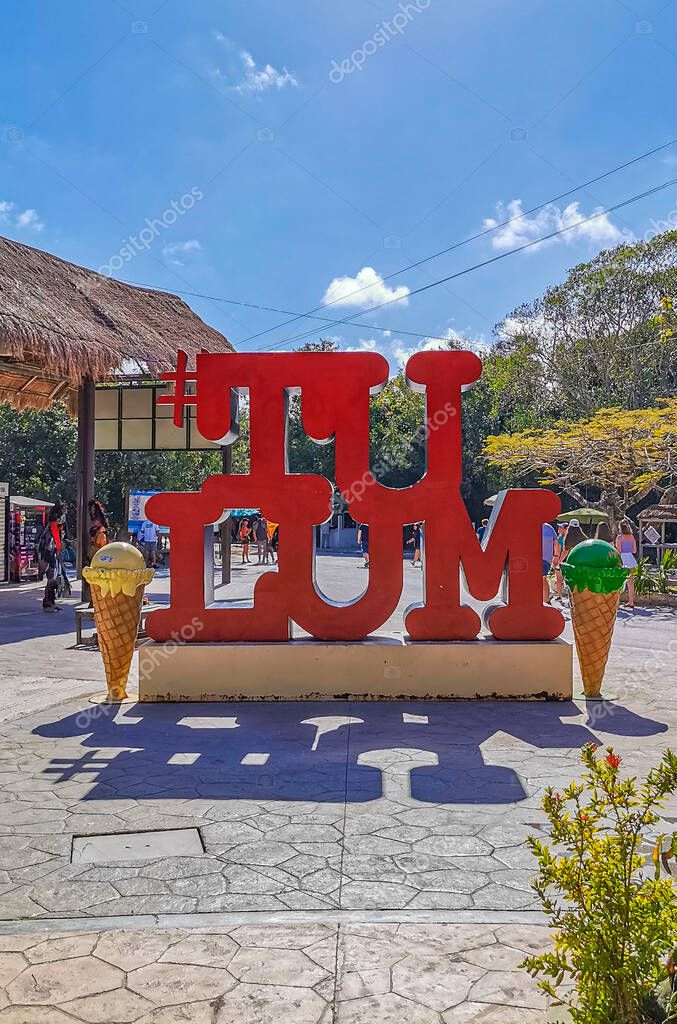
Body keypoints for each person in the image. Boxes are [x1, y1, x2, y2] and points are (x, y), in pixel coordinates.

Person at [37, 502, 65, 612]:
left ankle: (51, 602)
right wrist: (59, 550)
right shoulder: (53, 526)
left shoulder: (53, 526)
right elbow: (56, 542)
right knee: (51, 579)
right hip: (49, 556)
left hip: (50, 555)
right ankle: (48, 603)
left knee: (52, 579)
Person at [616, 520, 638, 610]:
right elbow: (634, 551)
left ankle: (617, 602)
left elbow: (618, 551)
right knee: (630, 582)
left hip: (622, 559)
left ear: (621, 528)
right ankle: (631, 602)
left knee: (619, 581)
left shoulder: (619, 538)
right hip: (630, 558)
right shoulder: (632, 537)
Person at [542, 520, 558, 604]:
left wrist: (556, 556)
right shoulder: (549, 527)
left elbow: (556, 543)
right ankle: (546, 600)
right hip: (546, 559)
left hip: (541, 558)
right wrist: (556, 556)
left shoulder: (531, 526)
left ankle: (546, 600)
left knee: (542, 578)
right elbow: (556, 543)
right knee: (543, 578)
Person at [553, 523, 568, 599]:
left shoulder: (560, 539)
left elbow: (558, 551)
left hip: (561, 561)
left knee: (559, 579)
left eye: (560, 527)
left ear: (565, 529)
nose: (558, 529)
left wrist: (556, 561)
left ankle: (559, 595)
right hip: (570, 561)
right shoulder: (571, 538)